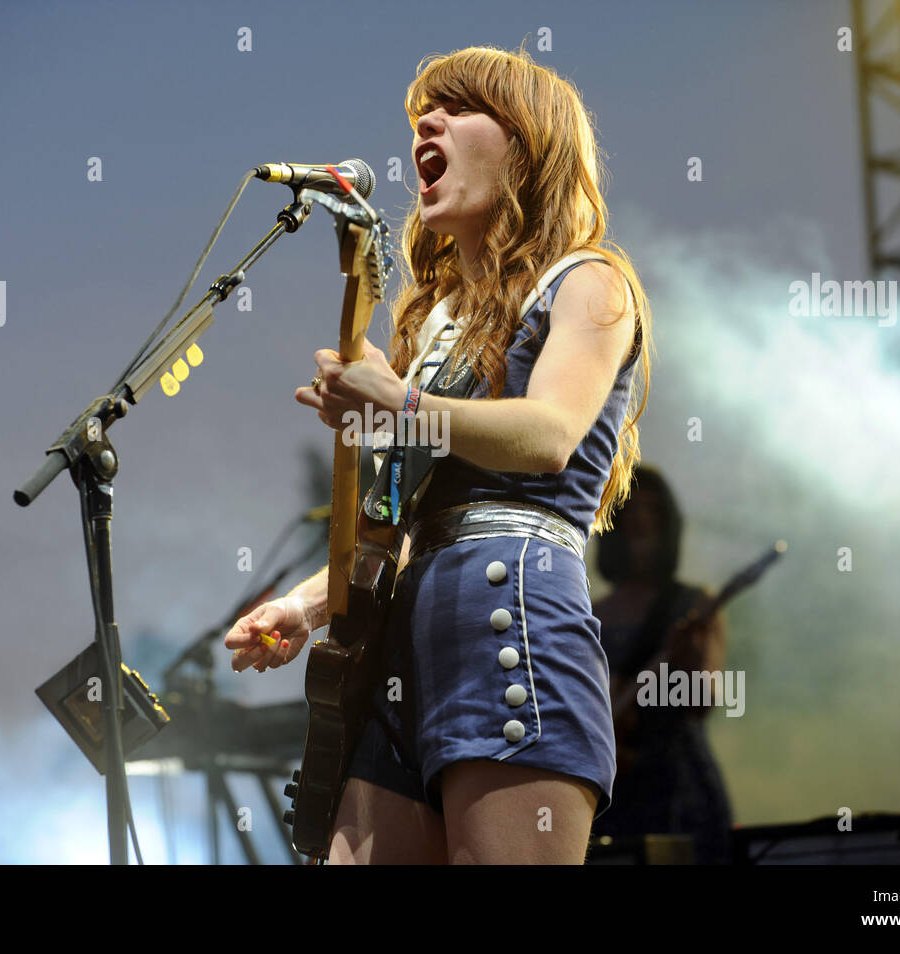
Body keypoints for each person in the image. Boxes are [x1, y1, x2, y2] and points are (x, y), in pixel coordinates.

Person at [223, 45, 652, 864]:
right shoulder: (442, 324)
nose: (428, 121)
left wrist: (404, 406)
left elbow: (550, 434)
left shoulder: (590, 283)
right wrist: (306, 606)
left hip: (513, 628)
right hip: (401, 650)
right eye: (425, 110)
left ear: (528, 145)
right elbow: (406, 522)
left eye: (459, 108)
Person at [589, 465, 733, 863]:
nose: (641, 519)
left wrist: (690, 661)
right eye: (631, 506)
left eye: (653, 509)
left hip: (677, 785)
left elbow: (701, 704)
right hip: (612, 784)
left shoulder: (694, 605)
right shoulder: (588, 614)